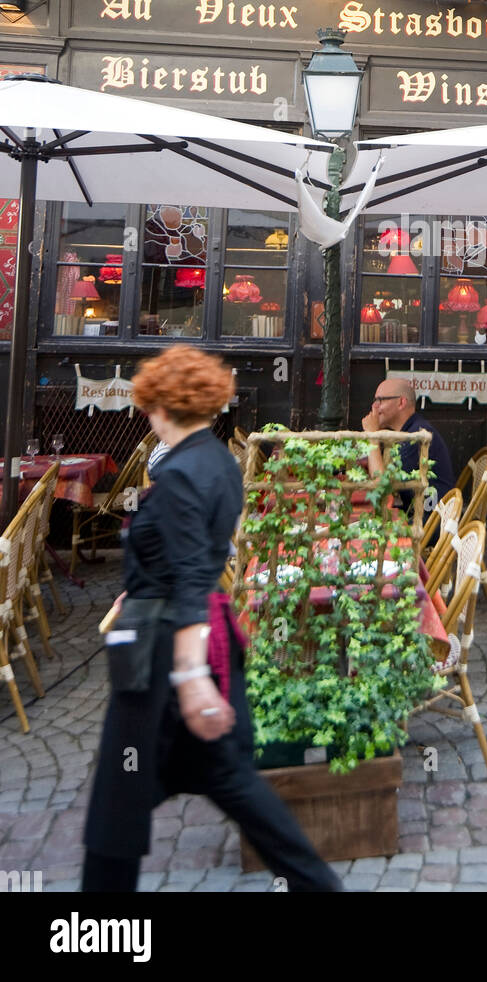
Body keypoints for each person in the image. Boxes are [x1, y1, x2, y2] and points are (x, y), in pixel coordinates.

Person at [82, 345, 341, 894]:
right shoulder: (220, 461)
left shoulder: (176, 475)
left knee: (118, 806)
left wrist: (191, 676)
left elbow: (188, 579)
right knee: (229, 780)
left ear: (160, 406)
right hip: (203, 643)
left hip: (161, 662)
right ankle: (318, 885)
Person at [361, 376, 455, 508]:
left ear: (401, 403)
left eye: (380, 400)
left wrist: (372, 436)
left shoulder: (416, 437)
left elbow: (380, 487)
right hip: (414, 511)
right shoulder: (410, 430)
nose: (374, 407)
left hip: (428, 521)